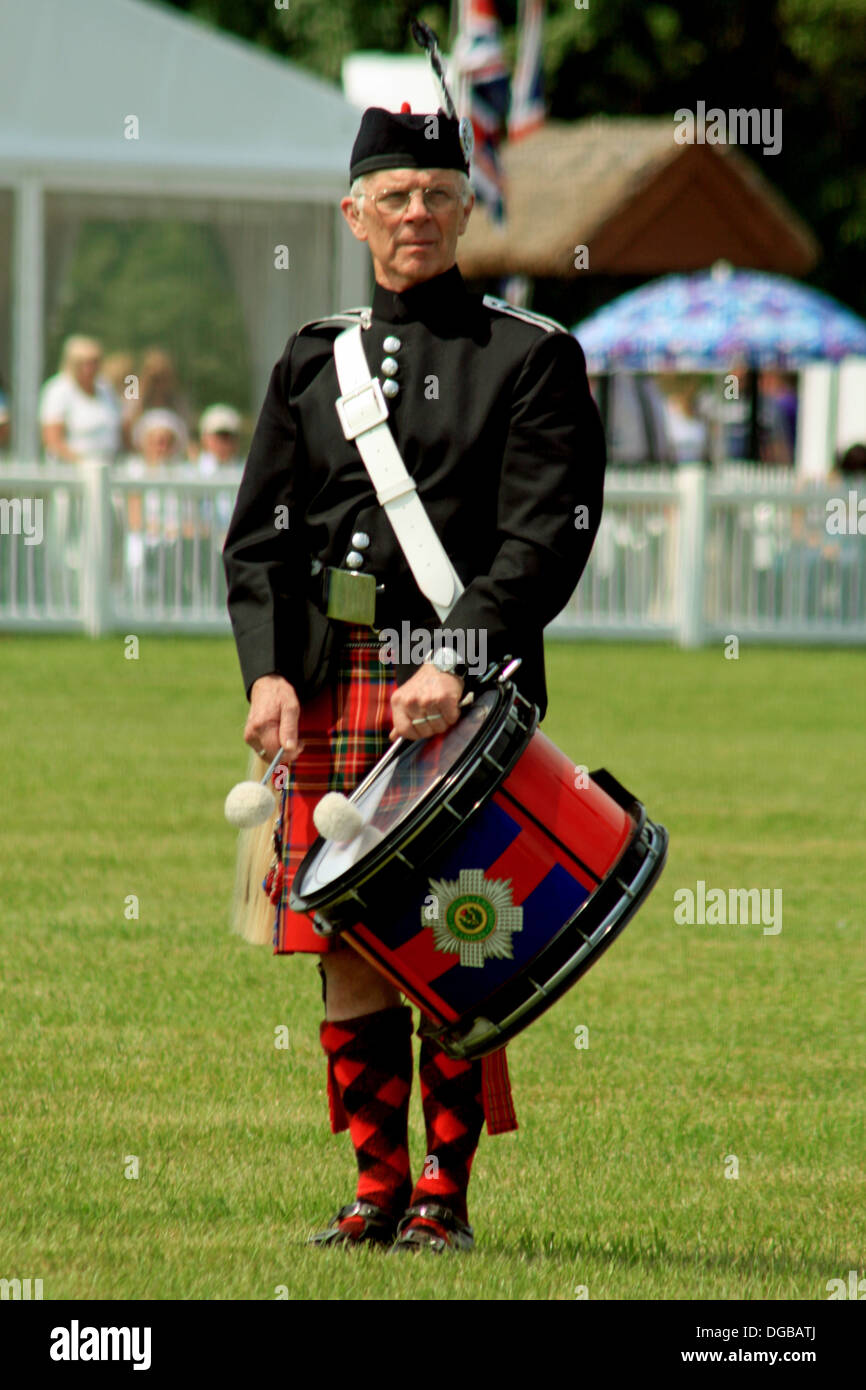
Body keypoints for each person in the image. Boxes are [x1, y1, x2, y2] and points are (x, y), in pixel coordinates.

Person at [222, 102, 606, 1253]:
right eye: (392, 196)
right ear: (353, 214)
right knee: (345, 935)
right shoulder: (309, 360)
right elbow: (263, 544)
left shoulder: (529, 357)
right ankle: (374, 1190)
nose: (416, 214)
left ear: (465, 209)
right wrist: (271, 677)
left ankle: (444, 1195)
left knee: (455, 931)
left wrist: (458, 655)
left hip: (464, 695)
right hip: (336, 685)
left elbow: (545, 536)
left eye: (436, 194)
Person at [39, 335, 122, 464]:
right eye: (85, 363)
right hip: (69, 472)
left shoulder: (106, 388)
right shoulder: (58, 389)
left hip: (107, 468)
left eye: (95, 362)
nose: (90, 368)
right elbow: (53, 440)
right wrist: (83, 464)